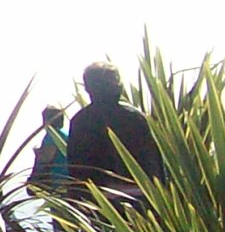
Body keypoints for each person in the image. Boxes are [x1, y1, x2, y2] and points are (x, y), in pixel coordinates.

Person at [67, 62, 161, 206]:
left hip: (99, 199)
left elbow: (76, 168)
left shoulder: (81, 121)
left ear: (88, 89)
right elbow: (154, 163)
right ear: (118, 87)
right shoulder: (135, 117)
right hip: (140, 197)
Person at [28, 105, 70, 191]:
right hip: (66, 177)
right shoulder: (65, 134)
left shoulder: (51, 136)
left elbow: (47, 158)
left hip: (57, 179)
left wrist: (37, 153)